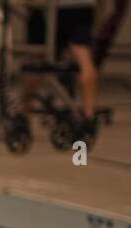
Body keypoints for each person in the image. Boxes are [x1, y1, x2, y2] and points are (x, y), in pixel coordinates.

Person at [24, 2, 101, 133]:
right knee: (82, 54)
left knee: (36, 60)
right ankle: (89, 115)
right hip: (81, 7)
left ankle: (24, 114)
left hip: (46, 9)